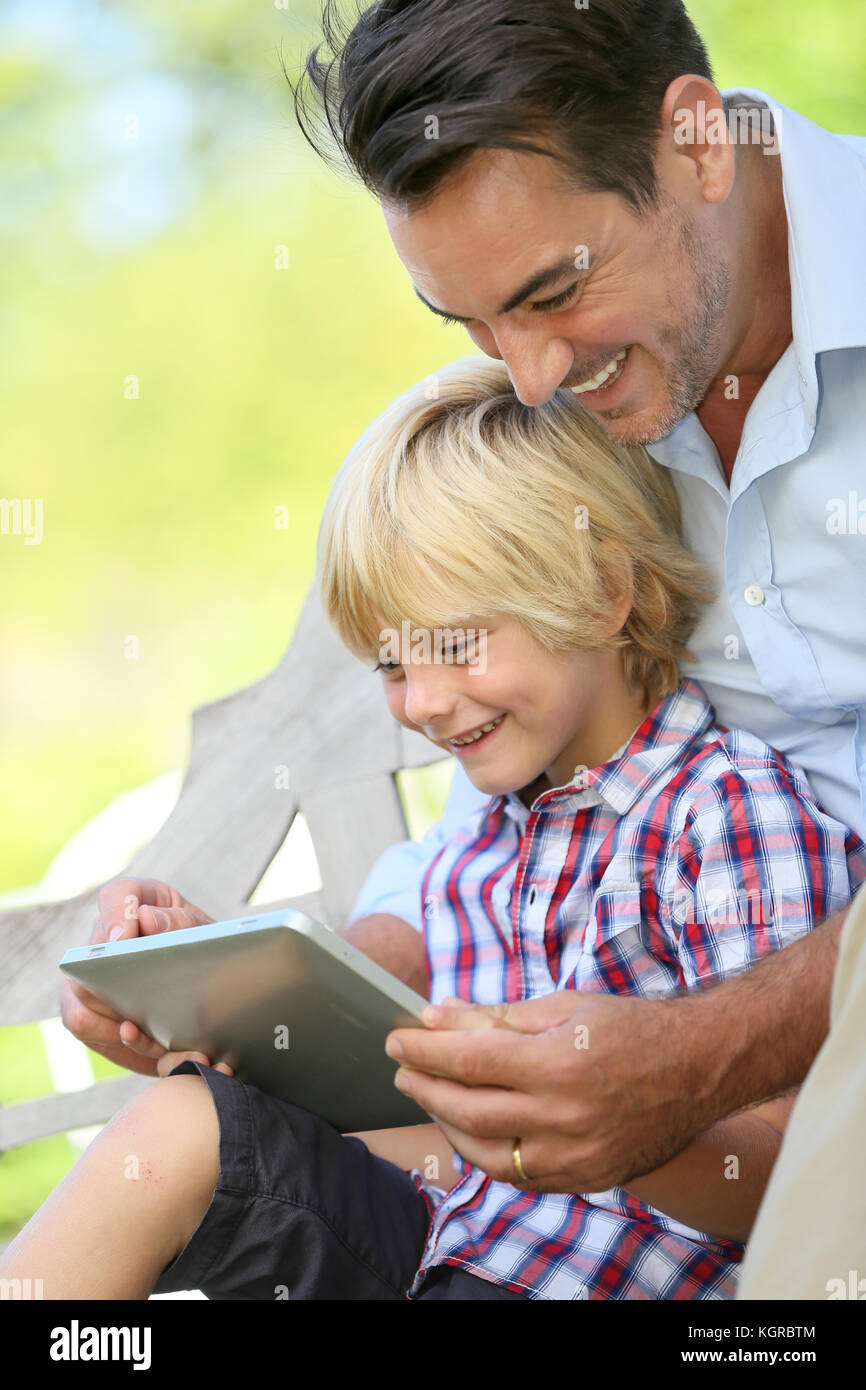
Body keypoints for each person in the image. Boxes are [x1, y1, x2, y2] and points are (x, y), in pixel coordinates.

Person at [4, 358, 864, 1299]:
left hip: (602, 1283)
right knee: (186, 1124)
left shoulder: (730, 817)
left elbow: (800, 1176)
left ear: (607, 593)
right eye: (390, 665)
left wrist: (600, 1130)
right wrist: (223, 1005)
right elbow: (430, 1137)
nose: (422, 702)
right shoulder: (483, 838)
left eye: (455, 646)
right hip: (443, 1244)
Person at [287, 0, 866, 1259]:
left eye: (552, 289)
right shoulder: (586, 414)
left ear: (696, 142)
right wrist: (276, 998)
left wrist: (701, 1054)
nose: (530, 378)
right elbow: (493, 841)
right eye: (473, 325)